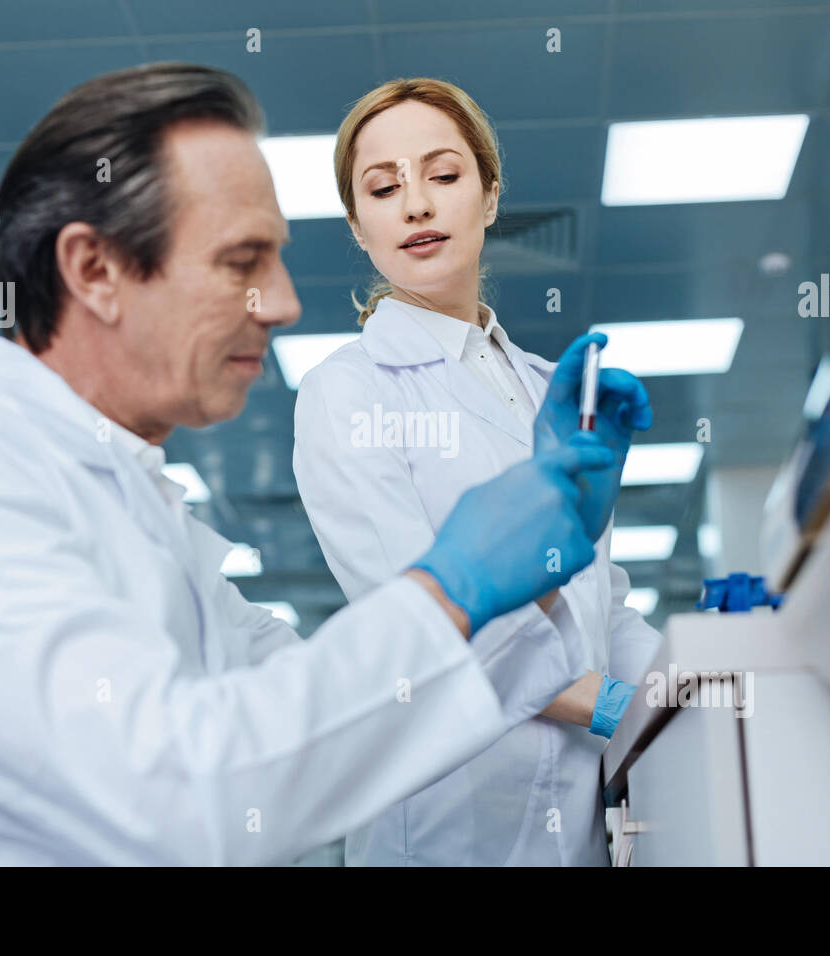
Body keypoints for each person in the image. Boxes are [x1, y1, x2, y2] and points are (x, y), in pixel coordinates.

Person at [0, 64, 640, 866]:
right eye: (242, 263)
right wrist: (455, 586)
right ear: (96, 271)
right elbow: (174, 790)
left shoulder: (147, 510)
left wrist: (542, 577)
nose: (282, 303)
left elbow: (312, 708)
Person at [293, 78, 661, 866]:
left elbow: (603, 608)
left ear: (491, 197)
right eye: (384, 188)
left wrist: (682, 689)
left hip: (575, 828)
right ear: (359, 227)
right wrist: (609, 703)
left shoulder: (544, 388)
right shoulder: (346, 390)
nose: (416, 205)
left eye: (445, 175)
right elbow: (425, 623)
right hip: (439, 827)